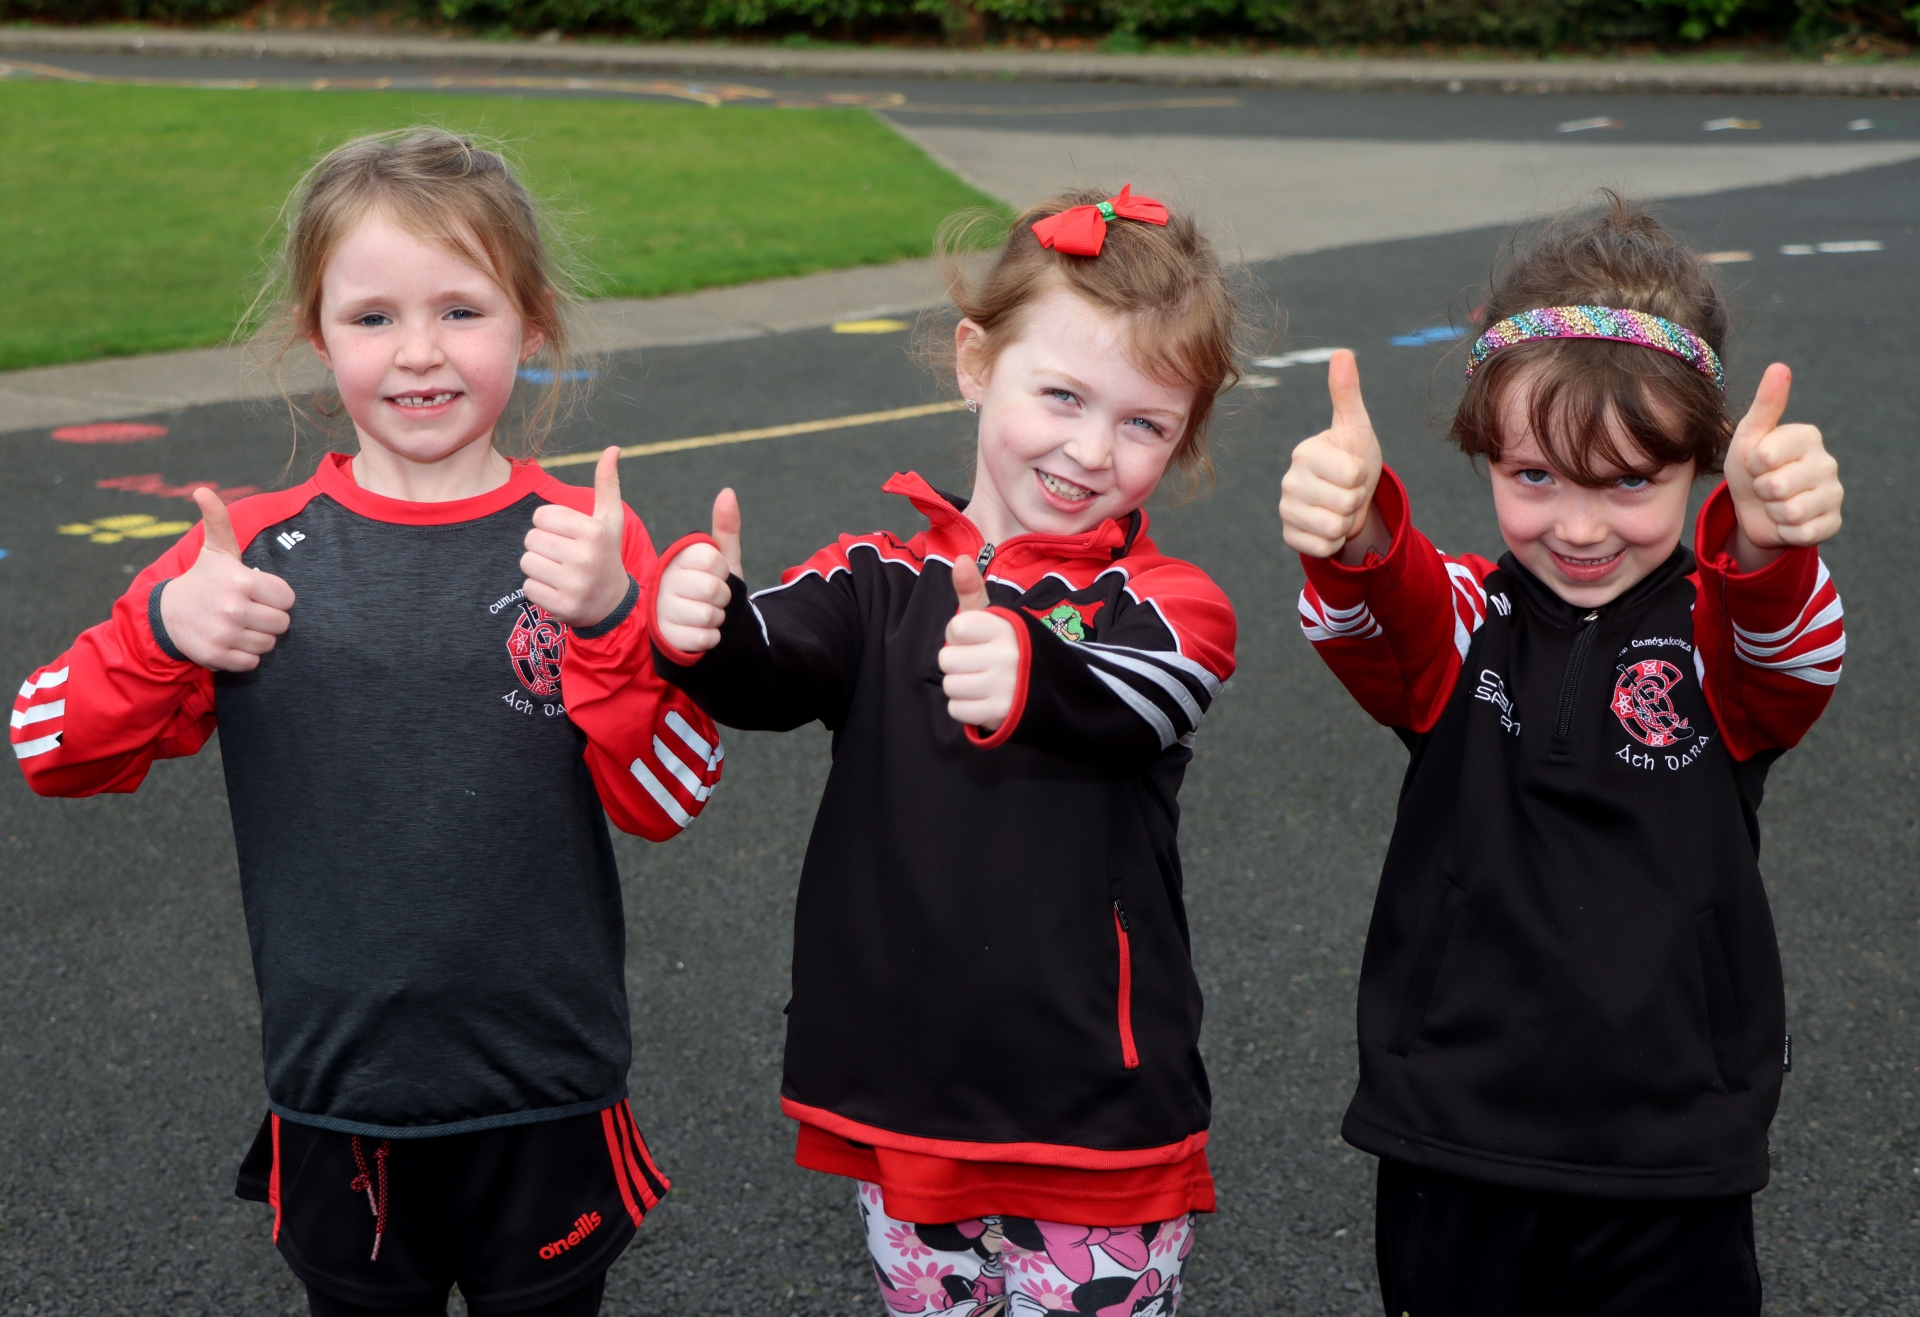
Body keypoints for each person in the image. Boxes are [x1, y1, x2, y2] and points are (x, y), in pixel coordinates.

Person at [10, 128, 722, 1317]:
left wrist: (607, 625)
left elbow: (667, 800)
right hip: (341, 1094)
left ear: (532, 320)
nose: (421, 354)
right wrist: (164, 634)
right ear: (315, 330)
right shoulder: (246, 555)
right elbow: (49, 750)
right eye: (374, 317)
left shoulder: (588, 546)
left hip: (546, 1088)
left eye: (463, 309)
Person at [647, 186, 1238, 1315]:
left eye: (1143, 423)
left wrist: (1033, 672)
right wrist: (704, 621)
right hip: (907, 1116)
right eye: (1060, 394)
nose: (1088, 448)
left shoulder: (1167, 603)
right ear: (976, 363)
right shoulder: (873, 580)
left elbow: (1145, 698)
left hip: (1096, 1130)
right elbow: (770, 664)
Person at [1277, 195, 1845, 1315]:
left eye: (1632, 481)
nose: (1580, 529)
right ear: (1485, 450)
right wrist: (1354, 531)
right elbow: (1381, 609)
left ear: (1701, 460)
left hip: (1673, 1154)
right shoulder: (1459, 624)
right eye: (1535, 477)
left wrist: (1767, 543)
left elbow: (1787, 646)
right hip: (1452, 1137)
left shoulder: (1724, 638)